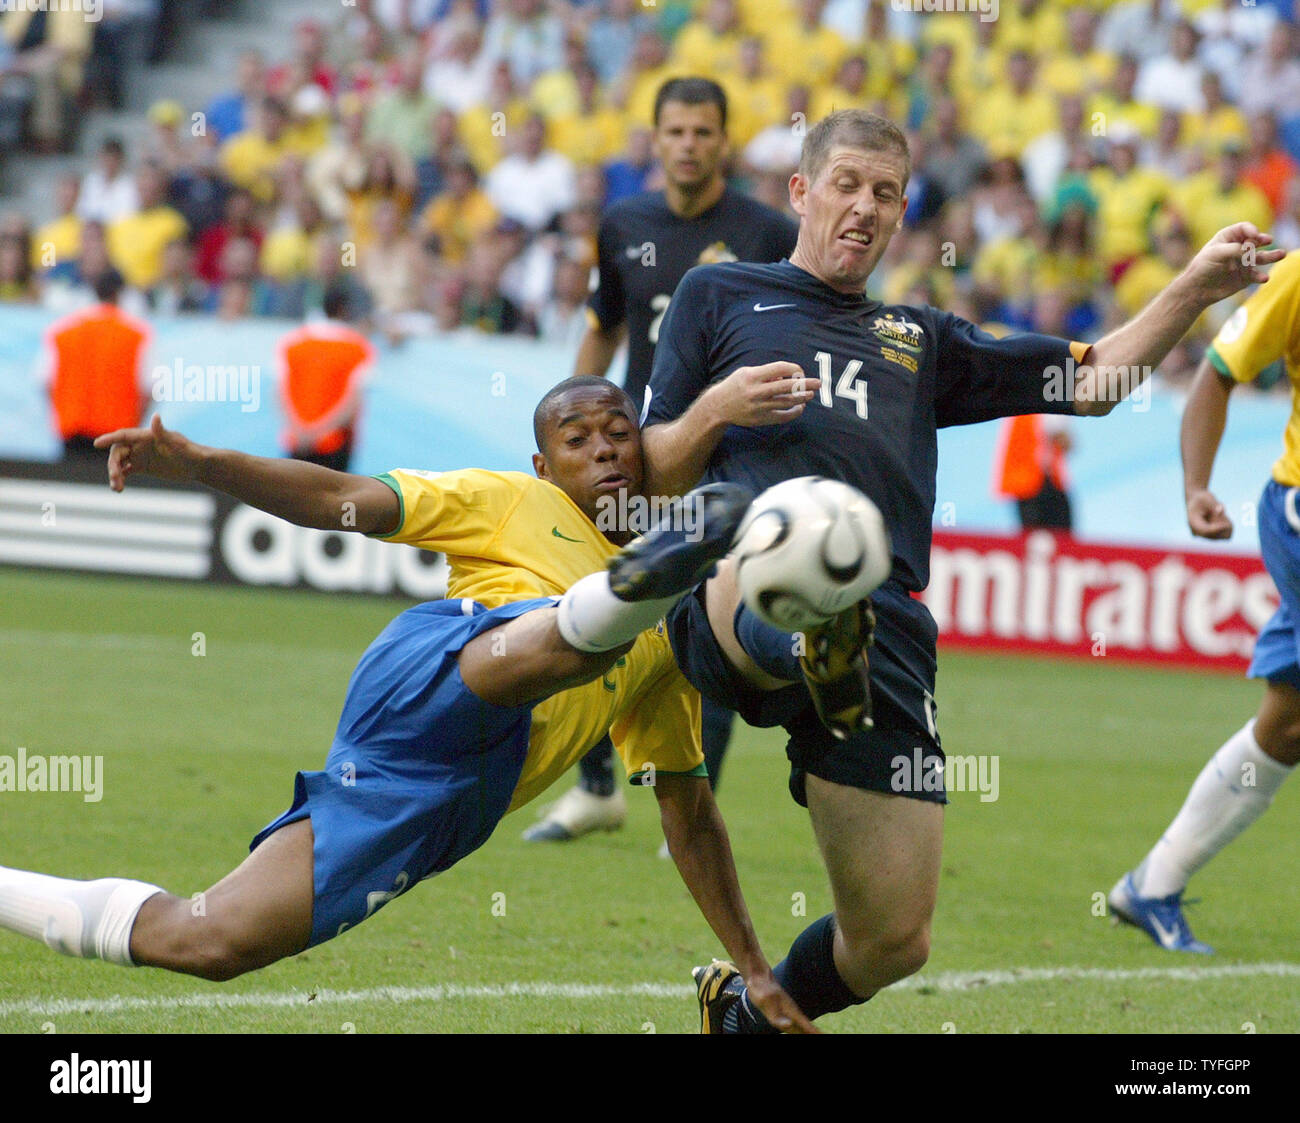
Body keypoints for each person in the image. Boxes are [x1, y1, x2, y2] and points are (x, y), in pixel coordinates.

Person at [637, 109, 1281, 1031]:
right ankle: (808, 633)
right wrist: (717, 411)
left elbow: (1089, 382)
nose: (864, 206)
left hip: (885, 627)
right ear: (800, 192)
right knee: (776, 533)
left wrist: (1196, 286)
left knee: (893, 939)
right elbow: (651, 468)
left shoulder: (917, 339)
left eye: (886, 193)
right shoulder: (720, 298)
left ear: (902, 213)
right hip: (734, 580)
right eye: (847, 184)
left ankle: (740, 1015)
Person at [0, 377, 814, 1034]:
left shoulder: (667, 649)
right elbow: (342, 499)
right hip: (437, 673)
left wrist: (752, 967)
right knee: (567, 645)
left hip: (434, 795)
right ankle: (638, 594)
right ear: (542, 465)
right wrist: (203, 460)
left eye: (619, 432)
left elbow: (686, 803)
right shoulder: (507, 500)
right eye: (578, 439)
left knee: (208, 940)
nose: (604, 450)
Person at [529, 77, 798, 843]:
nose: (688, 145)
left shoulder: (767, 233)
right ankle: (594, 787)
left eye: (702, 132)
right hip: (644, 448)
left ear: (724, 140)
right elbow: (604, 325)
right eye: (674, 131)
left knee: (704, 626)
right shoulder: (623, 223)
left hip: (731, 455)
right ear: (656, 137)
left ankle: (684, 802)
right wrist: (573, 423)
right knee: (597, 599)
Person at [1109, 249, 1300, 954]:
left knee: (1286, 728)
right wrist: (1197, 486)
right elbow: (1218, 374)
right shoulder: (1298, 276)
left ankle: (1152, 883)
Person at [44, 269, 151, 460]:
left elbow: (45, 380)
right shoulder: (137, 334)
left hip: (72, 431)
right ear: (119, 294)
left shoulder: (64, 330)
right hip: (117, 434)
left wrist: (64, 413)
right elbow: (148, 387)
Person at [277, 285, 374, 473]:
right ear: (344, 309)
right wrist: (320, 431)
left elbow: (280, 392)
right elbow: (353, 401)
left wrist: (299, 428)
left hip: (297, 439)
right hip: (334, 442)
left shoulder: (294, 342)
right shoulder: (357, 347)